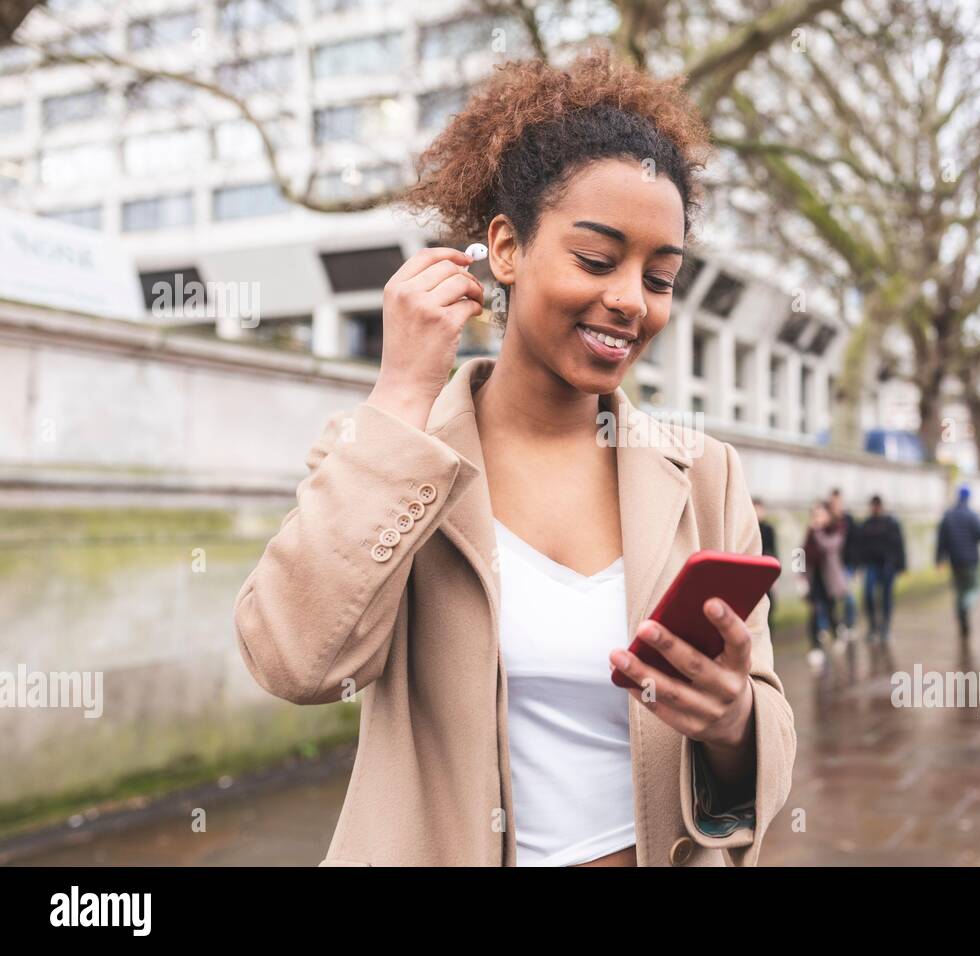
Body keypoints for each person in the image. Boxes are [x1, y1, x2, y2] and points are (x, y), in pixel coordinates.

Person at [233, 50, 796, 867]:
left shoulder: (703, 473)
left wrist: (732, 719)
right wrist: (398, 399)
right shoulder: (389, 451)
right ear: (505, 247)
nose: (632, 300)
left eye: (661, 276)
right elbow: (295, 661)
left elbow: (769, 738)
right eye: (597, 260)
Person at [935, 483, 980, 641]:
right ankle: (966, 606)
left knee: (959, 591)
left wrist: (939, 559)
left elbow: (941, 540)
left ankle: (961, 619)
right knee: (974, 589)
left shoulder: (948, 515)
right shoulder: (972, 515)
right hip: (971, 560)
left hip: (955, 561)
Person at [801, 499, 849, 669]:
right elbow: (800, 553)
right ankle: (815, 648)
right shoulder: (810, 533)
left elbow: (830, 547)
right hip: (815, 580)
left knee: (830, 611)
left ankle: (837, 634)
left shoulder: (836, 530)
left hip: (830, 580)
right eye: (815, 515)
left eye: (821, 514)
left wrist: (818, 531)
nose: (818, 518)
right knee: (814, 613)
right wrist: (799, 576)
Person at [857, 494, 907, 642]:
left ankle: (885, 627)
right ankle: (873, 626)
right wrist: (860, 564)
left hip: (887, 565)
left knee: (886, 598)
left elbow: (899, 545)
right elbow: (861, 546)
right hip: (872, 566)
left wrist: (901, 565)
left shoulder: (891, 523)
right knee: (869, 595)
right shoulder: (867, 524)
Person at [827, 488, 858, 640]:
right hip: (828, 568)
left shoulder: (848, 520)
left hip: (845, 565)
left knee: (848, 597)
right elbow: (801, 549)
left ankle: (849, 624)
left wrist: (855, 564)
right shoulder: (826, 521)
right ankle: (833, 629)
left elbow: (855, 542)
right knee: (827, 602)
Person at [754, 498, 778, 633]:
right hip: (753, 572)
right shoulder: (749, 528)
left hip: (766, 571)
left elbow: (774, 551)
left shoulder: (769, 529)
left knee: (769, 605)